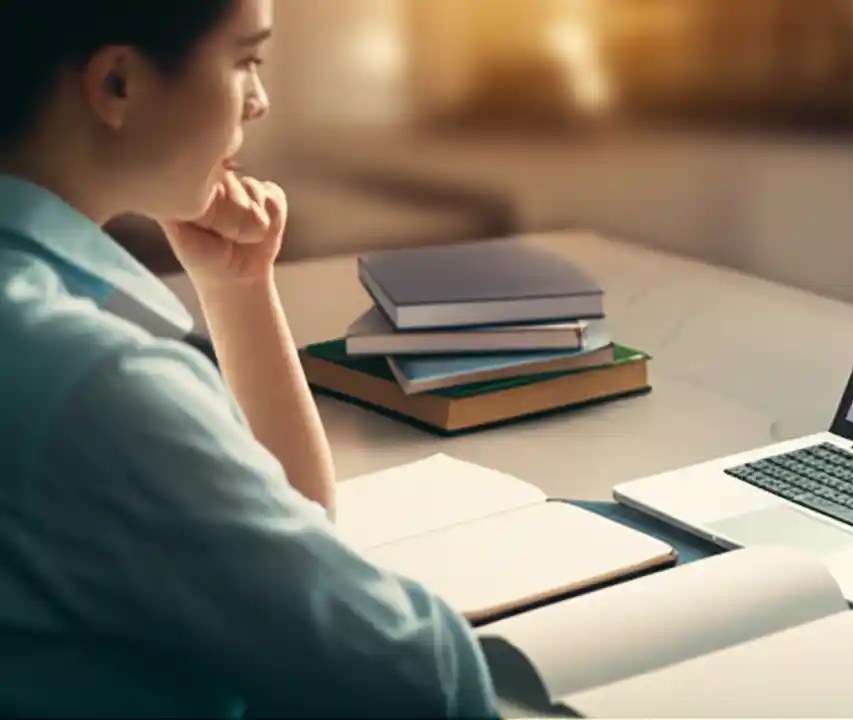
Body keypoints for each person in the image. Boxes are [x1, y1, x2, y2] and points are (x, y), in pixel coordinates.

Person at [0, 1, 496, 716]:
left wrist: (239, 287)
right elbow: (411, 678)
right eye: (245, 60)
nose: (259, 102)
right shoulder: (91, 385)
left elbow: (281, 554)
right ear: (117, 85)